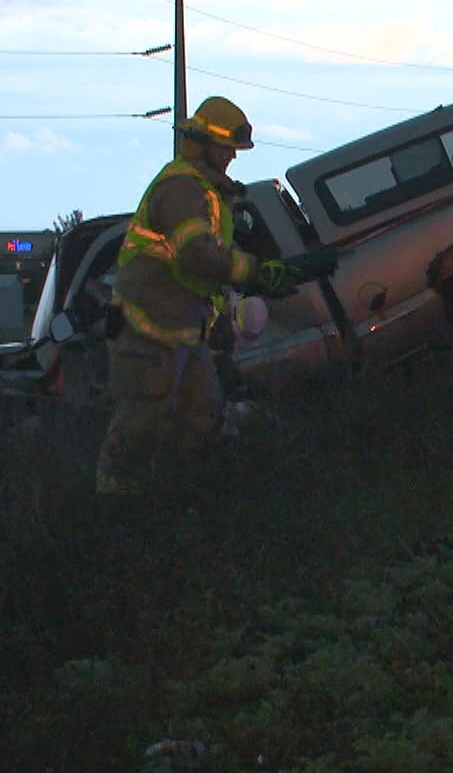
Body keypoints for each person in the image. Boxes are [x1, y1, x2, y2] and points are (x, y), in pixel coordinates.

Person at [94, 96, 302, 496]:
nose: (230, 158)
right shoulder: (181, 190)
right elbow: (196, 256)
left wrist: (220, 318)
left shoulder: (207, 195)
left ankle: (180, 497)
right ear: (199, 142)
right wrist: (256, 271)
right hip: (146, 327)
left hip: (182, 330)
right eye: (225, 147)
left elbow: (203, 277)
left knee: (200, 413)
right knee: (138, 423)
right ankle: (116, 511)